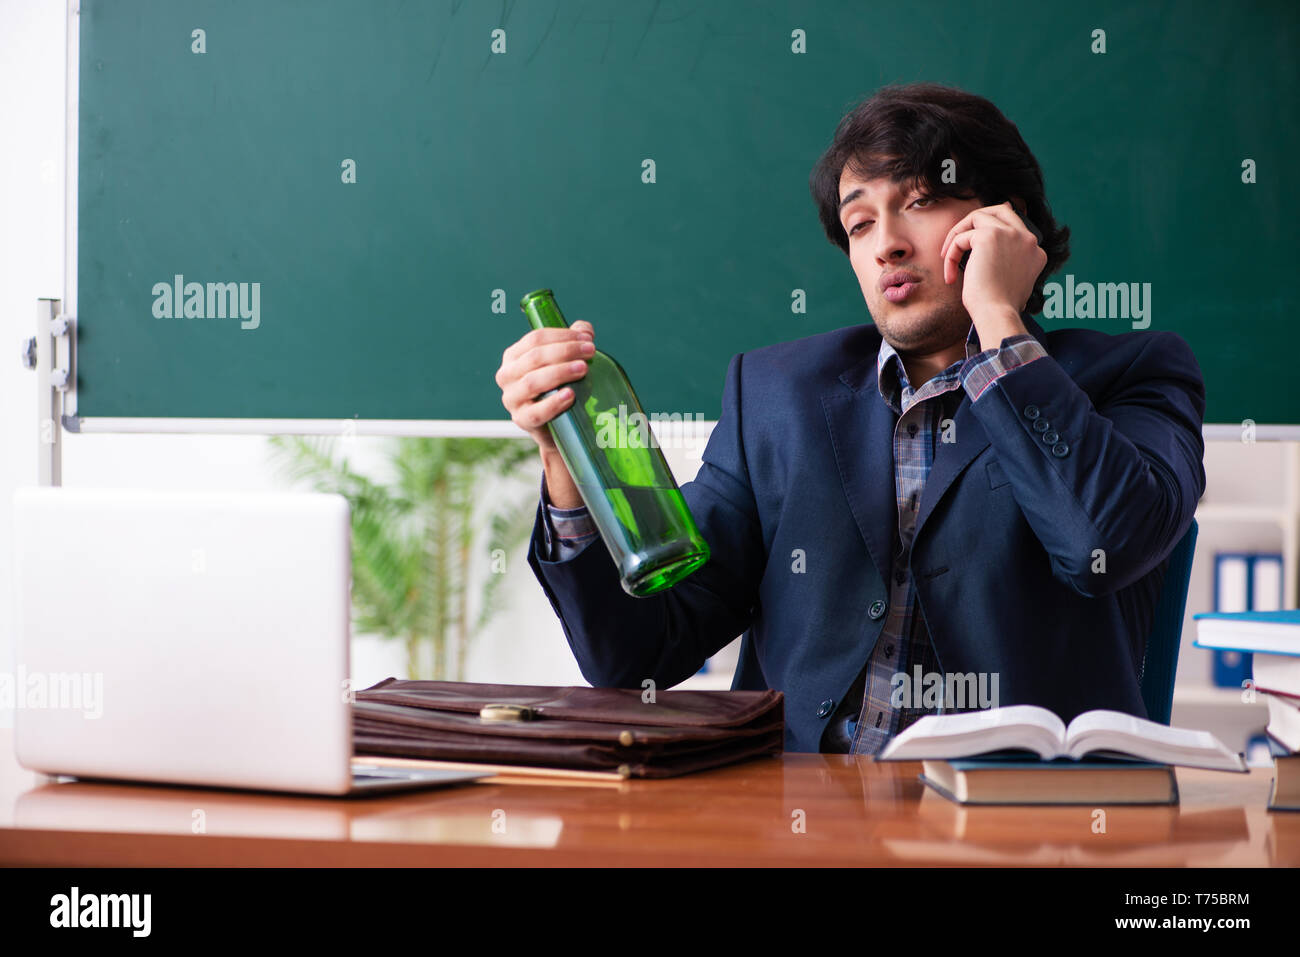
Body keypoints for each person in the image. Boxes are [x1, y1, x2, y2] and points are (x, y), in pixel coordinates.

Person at [493, 82, 1206, 754]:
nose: (886, 242)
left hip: (1021, 822)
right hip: (794, 818)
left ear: (1007, 222)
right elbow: (636, 653)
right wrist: (565, 462)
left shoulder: (1132, 375)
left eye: (922, 202)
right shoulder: (777, 392)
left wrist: (997, 318)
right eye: (860, 221)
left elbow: (1098, 543)